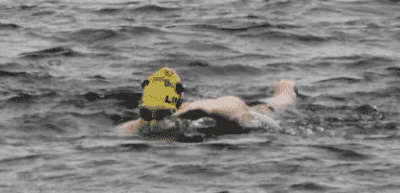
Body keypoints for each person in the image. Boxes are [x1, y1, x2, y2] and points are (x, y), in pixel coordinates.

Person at [115, 67, 297, 139]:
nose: (154, 121)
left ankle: (286, 84)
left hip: (254, 114)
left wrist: (206, 109)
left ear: (176, 106)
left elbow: (235, 104)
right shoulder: (134, 127)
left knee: (283, 97)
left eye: (161, 114)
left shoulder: (193, 112)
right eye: (148, 114)